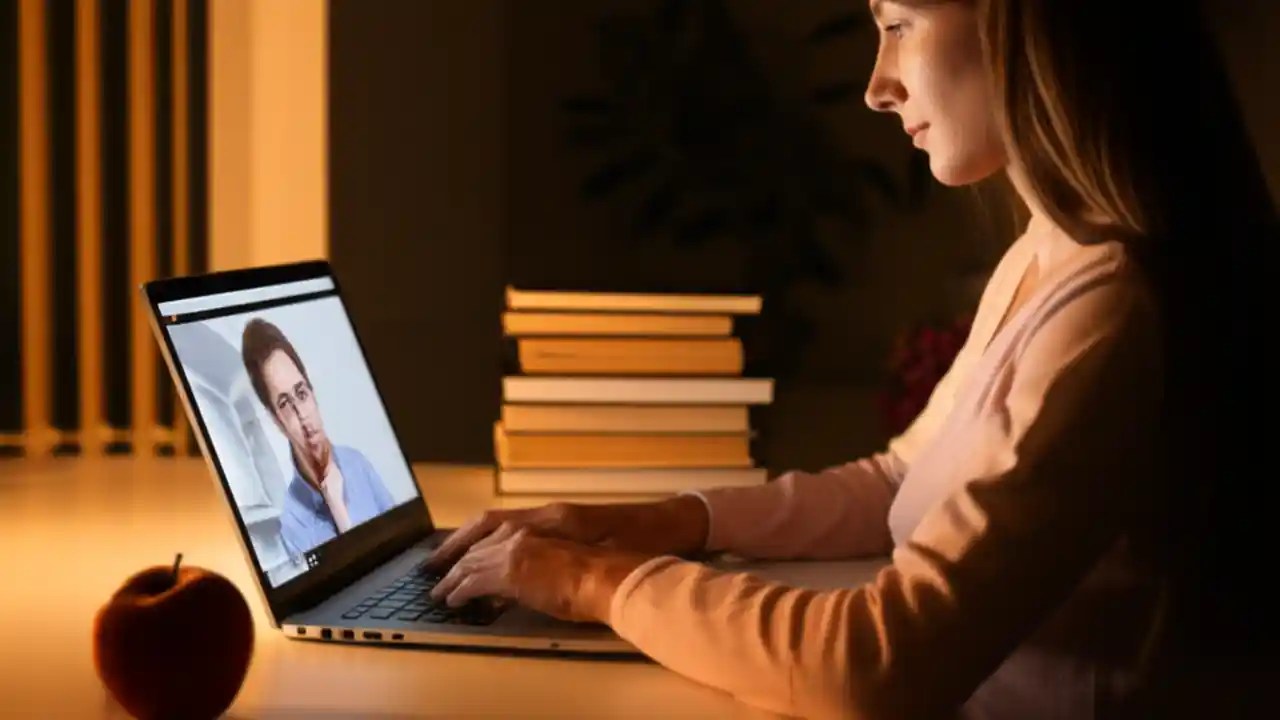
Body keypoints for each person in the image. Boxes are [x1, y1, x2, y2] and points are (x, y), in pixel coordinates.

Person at [424, 1, 1276, 717]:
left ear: (1027, 26)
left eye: (900, 22)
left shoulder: (1114, 305)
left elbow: (876, 663)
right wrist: (663, 522)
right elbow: (899, 482)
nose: (877, 85)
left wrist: (595, 585)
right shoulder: (1049, 254)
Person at [241, 318, 396, 563]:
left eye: (301, 393)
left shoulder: (358, 463)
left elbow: (402, 542)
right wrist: (339, 510)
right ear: (277, 421)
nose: (303, 416)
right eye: (285, 404)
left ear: (312, 393)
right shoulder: (292, 525)